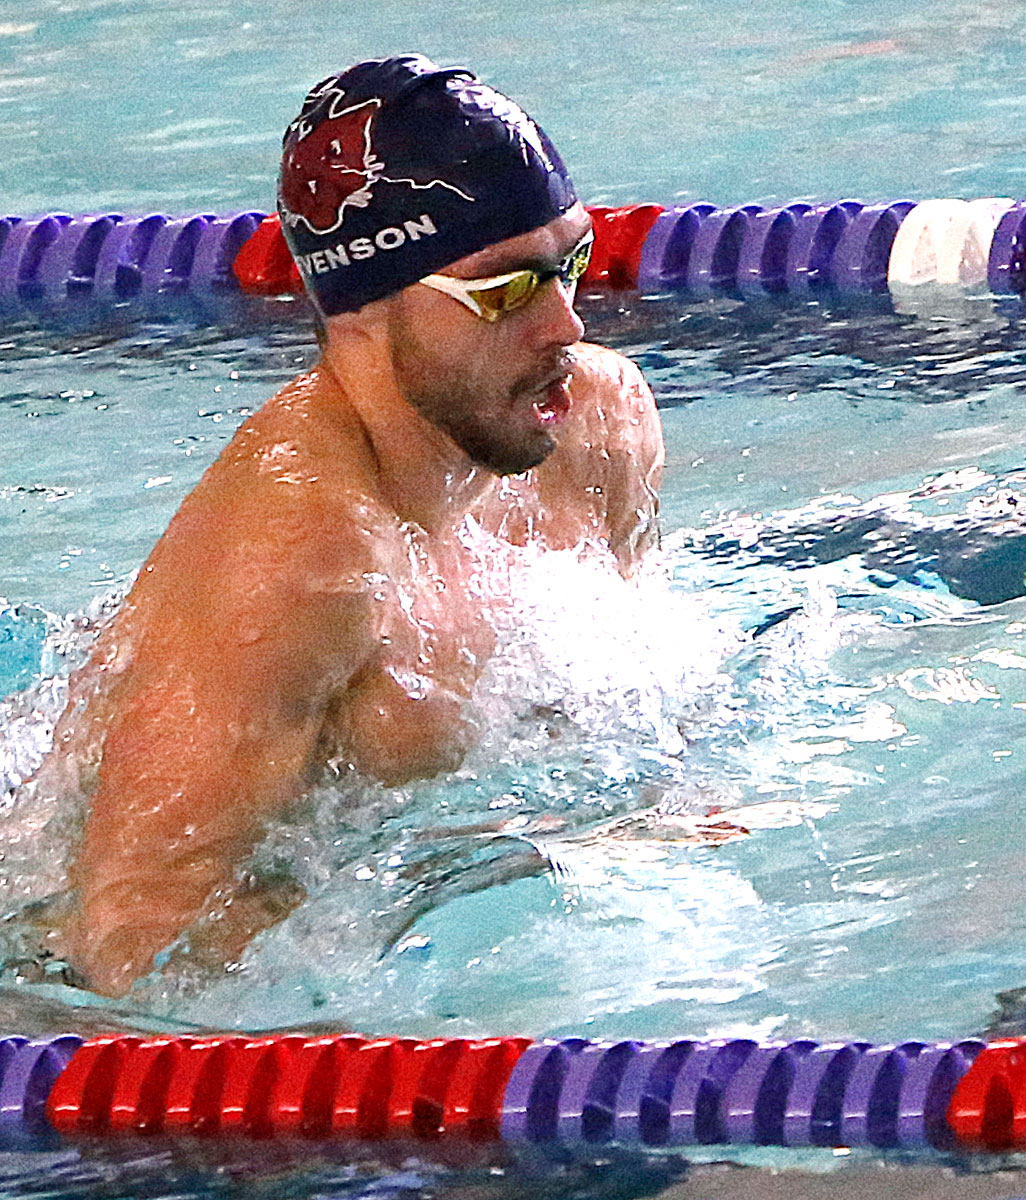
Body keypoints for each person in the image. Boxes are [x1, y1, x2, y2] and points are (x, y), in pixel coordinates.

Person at [36, 54, 665, 995]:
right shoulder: (302, 552)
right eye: (504, 290)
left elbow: (646, 723)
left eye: (568, 264)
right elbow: (129, 943)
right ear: (362, 305)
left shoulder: (596, 424)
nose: (565, 325)